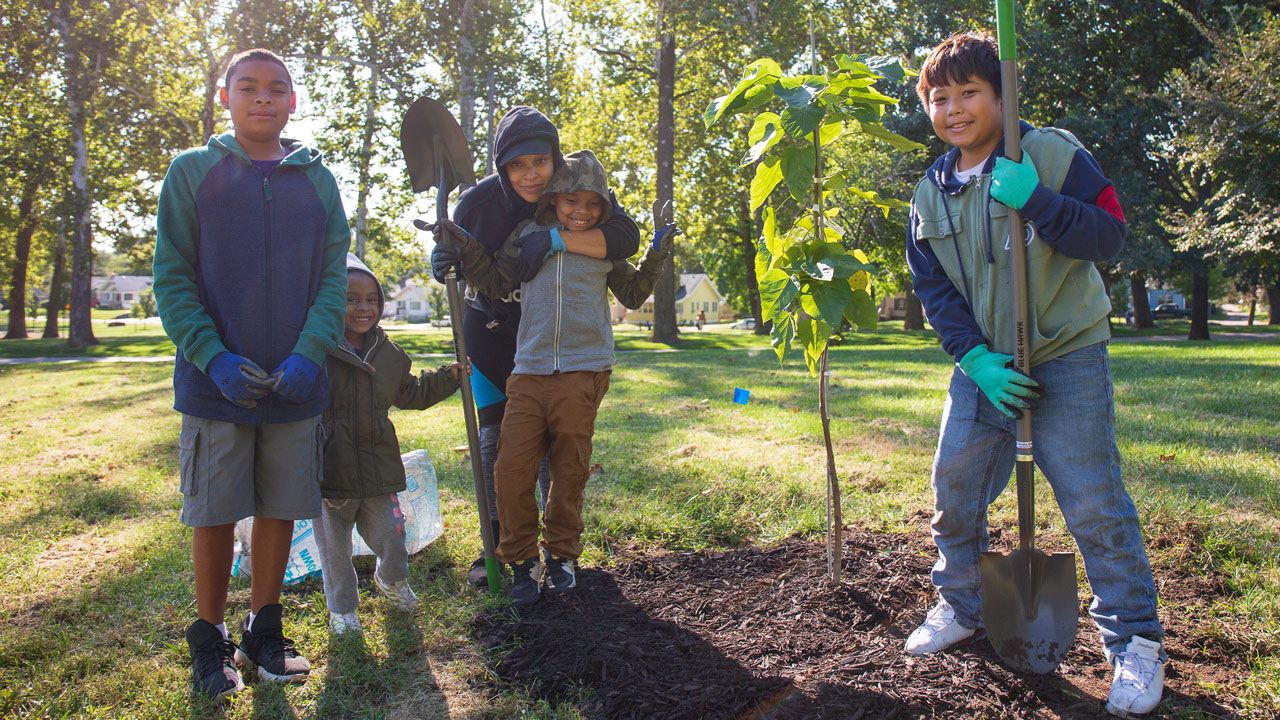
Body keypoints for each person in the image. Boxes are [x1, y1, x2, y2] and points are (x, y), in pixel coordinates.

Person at [902, 32, 1165, 717]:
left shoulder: (1048, 154)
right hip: (986, 368)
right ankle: (961, 605)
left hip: (1065, 356)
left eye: (970, 93)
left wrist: (1039, 202)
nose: (954, 108)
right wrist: (976, 360)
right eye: (940, 96)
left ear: (1001, 95)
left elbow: (1109, 236)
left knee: (1093, 503)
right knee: (954, 490)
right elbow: (935, 292)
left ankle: (1134, 643)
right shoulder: (930, 195)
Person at [153, 49, 349, 700]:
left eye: (276, 89)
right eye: (248, 88)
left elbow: (331, 279)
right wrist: (213, 356)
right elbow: (173, 281)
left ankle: (264, 632)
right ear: (224, 97)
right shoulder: (192, 174)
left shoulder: (319, 182)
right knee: (213, 513)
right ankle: (209, 639)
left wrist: (309, 352)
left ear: (293, 101)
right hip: (217, 385)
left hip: (295, 384)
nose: (262, 99)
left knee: (280, 507)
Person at [438, 149, 675, 606]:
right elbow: (493, 278)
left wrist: (657, 254)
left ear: (604, 208)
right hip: (527, 367)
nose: (580, 212)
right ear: (552, 202)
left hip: (584, 369)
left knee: (569, 468)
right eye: (570, 202)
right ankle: (522, 557)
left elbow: (633, 290)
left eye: (591, 204)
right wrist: (461, 246)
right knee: (510, 468)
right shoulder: (529, 235)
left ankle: (562, 553)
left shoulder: (605, 246)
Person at [314, 254, 463, 634]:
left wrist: (450, 376)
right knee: (335, 550)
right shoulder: (315, 349)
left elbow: (412, 393)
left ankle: (391, 579)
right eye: (350, 298)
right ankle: (343, 609)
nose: (363, 307)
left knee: (393, 537)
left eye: (371, 299)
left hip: (378, 467)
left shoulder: (390, 354)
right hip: (329, 469)